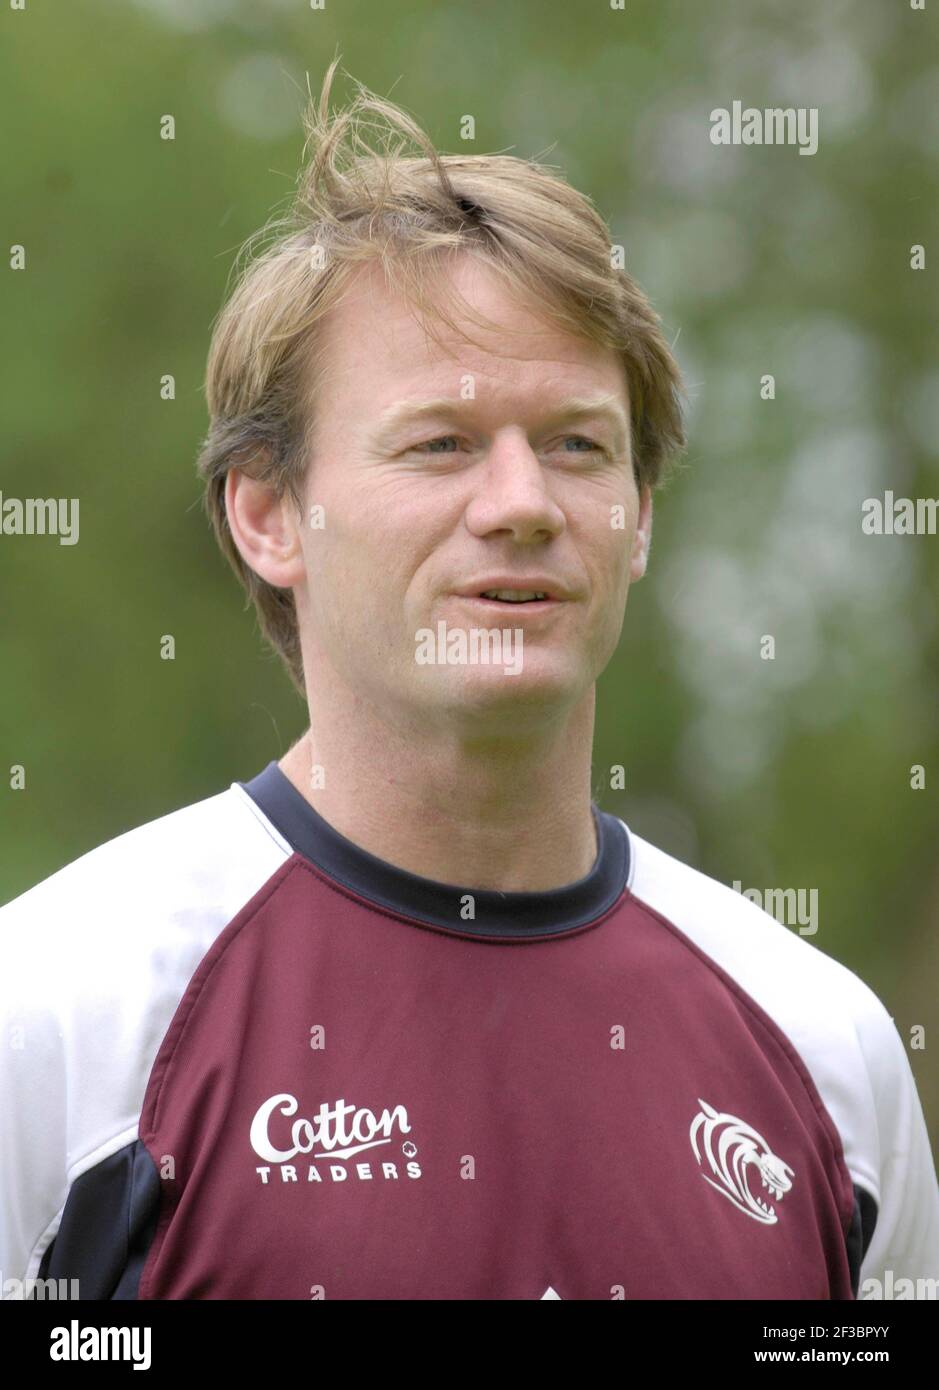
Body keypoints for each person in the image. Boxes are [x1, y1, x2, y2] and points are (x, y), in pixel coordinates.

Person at [2, 59, 937, 1302]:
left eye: (576, 446)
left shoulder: (830, 1052)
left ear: (640, 516)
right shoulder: (60, 1013)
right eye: (440, 445)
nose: (522, 505)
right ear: (270, 516)